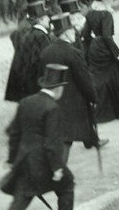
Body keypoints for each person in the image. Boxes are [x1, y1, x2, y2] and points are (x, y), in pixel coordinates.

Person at [0, 63, 84, 210]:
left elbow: (13, 133)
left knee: (19, 203)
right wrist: (57, 169)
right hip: (43, 164)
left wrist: (11, 159)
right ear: (58, 88)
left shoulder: (26, 102)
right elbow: (53, 144)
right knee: (67, 184)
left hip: (24, 162)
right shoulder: (52, 108)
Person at [38, 12, 100, 164]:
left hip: (52, 100)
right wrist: (94, 97)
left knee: (60, 138)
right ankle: (58, 174)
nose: (75, 33)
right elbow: (84, 80)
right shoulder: (73, 53)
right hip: (72, 104)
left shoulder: (46, 51)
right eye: (72, 30)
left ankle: (56, 171)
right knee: (67, 140)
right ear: (65, 33)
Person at [4, 4, 52, 103]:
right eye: (46, 17)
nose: (49, 19)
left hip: (24, 82)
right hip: (35, 84)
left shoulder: (29, 33)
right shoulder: (42, 37)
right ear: (40, 20)